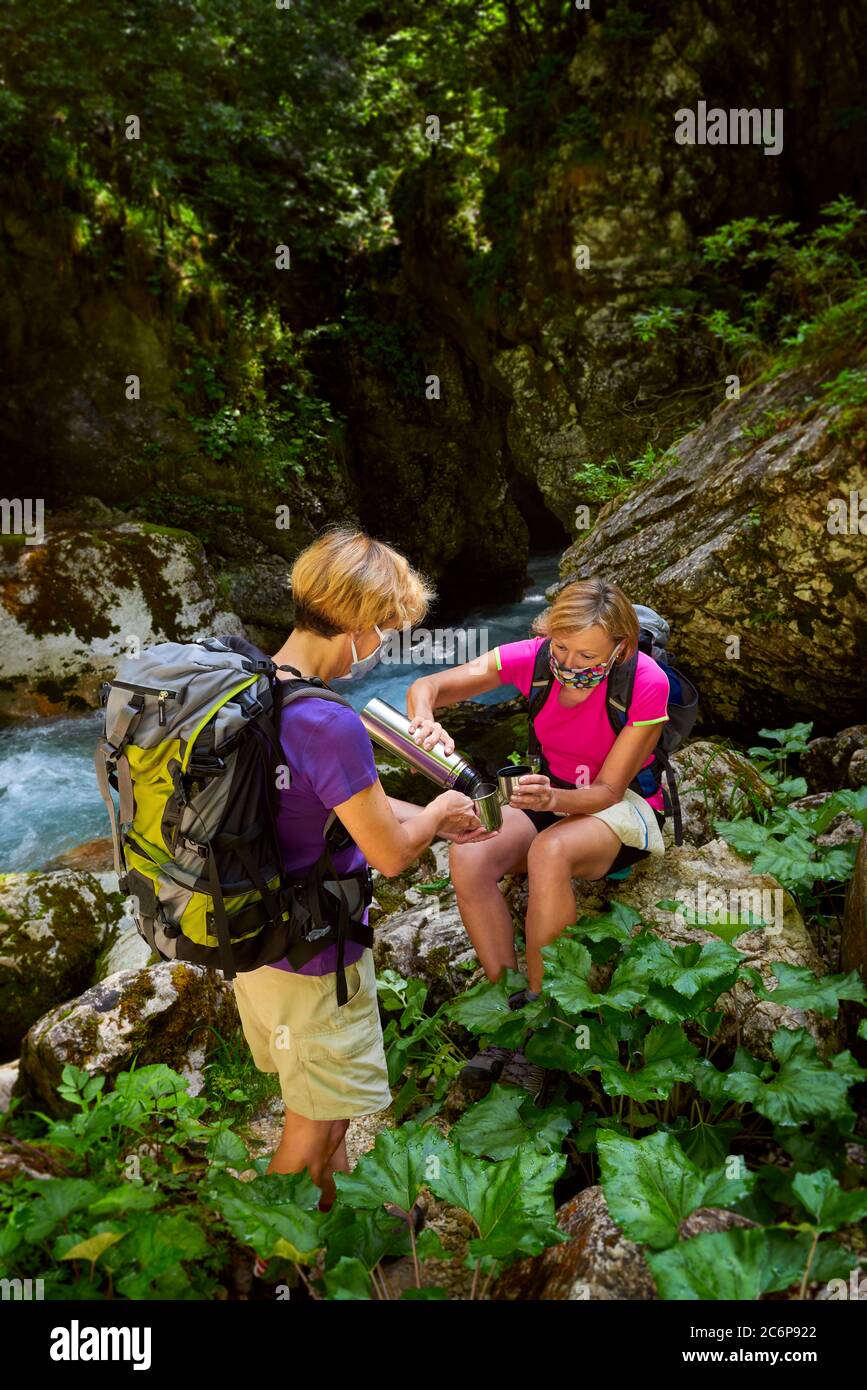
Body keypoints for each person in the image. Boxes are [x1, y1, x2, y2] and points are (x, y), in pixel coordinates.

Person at [230, 526, 490, 1222]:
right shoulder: (328, 722)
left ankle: (333, 1227)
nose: (384, 645)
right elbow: (393, 853)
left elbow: (325, 807)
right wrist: (438, 812)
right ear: (354, 624)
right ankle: (263, 1257)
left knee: (322, 1105)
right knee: (309, 1128)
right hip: (316, 958)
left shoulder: (253, 685)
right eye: (384, 629)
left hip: (253, 941)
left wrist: (424, 806)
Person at [405, 576, 670, 1089]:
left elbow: (609, 791)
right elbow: (429, 686)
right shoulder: (535, 657)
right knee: (471, 855)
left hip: (618, 806)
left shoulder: (646, 683)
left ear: (621, 647)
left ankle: (549, 1021)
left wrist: (553, 800)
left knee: (550, 851)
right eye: (562, 646)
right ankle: (513, 1010)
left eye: (585, 653)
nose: (569, 664)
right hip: (548, 792)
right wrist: (424, 719)